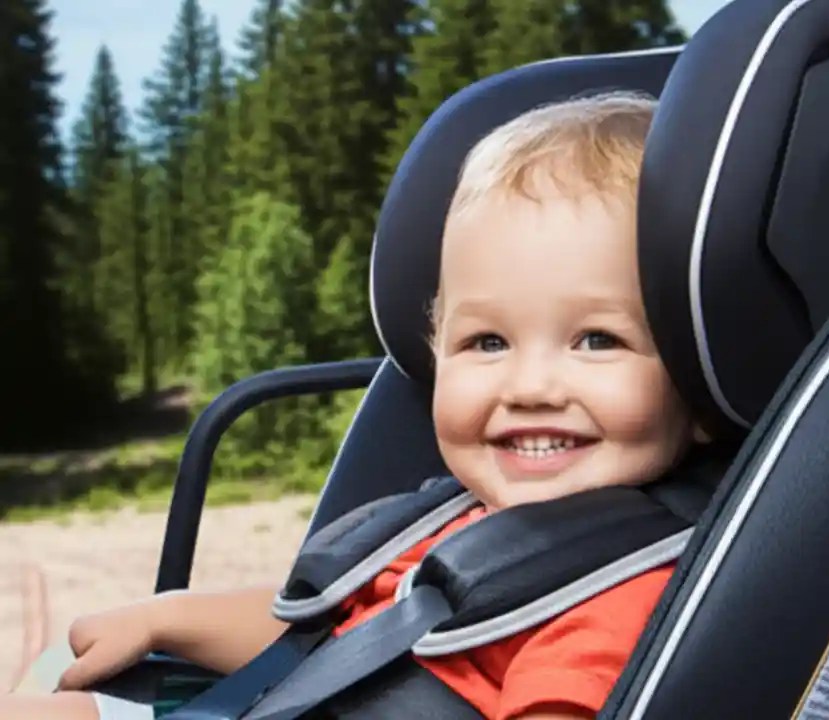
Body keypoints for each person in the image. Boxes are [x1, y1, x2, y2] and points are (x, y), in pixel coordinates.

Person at [0, 90, 711, 720]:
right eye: (487, 341)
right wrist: (167, 619)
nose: (529, 386)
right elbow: (326, 634)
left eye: (595, 339)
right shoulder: (449, 522)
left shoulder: (614, 600)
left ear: (699, 380)